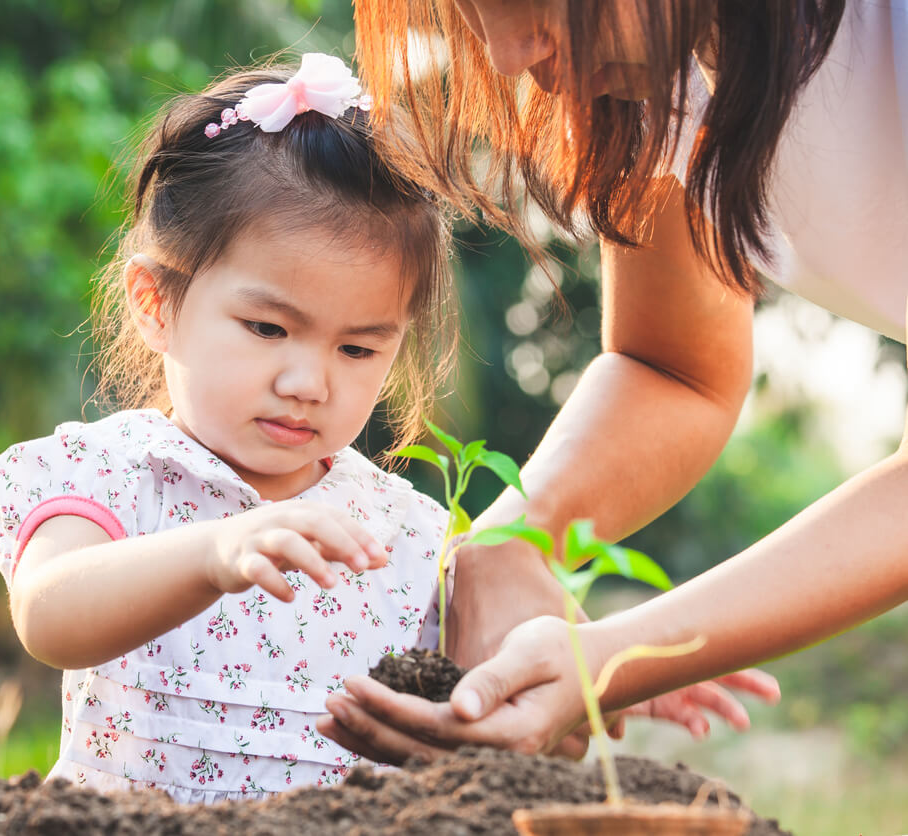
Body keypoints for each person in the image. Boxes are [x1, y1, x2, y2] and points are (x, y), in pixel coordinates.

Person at [317, 0, 907, 763]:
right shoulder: (664, 80)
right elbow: (672, 366)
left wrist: (617, 657)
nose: (505, 56)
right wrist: (510, 542)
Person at [0, 52, 464, 802]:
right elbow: (49, 613)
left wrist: (597, 682)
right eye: (268, 328)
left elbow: (484, 708)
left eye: (359, 348)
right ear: (155, 303)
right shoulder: (109, 474)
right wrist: (214, 550)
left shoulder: (405, 537)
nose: (308, 383)